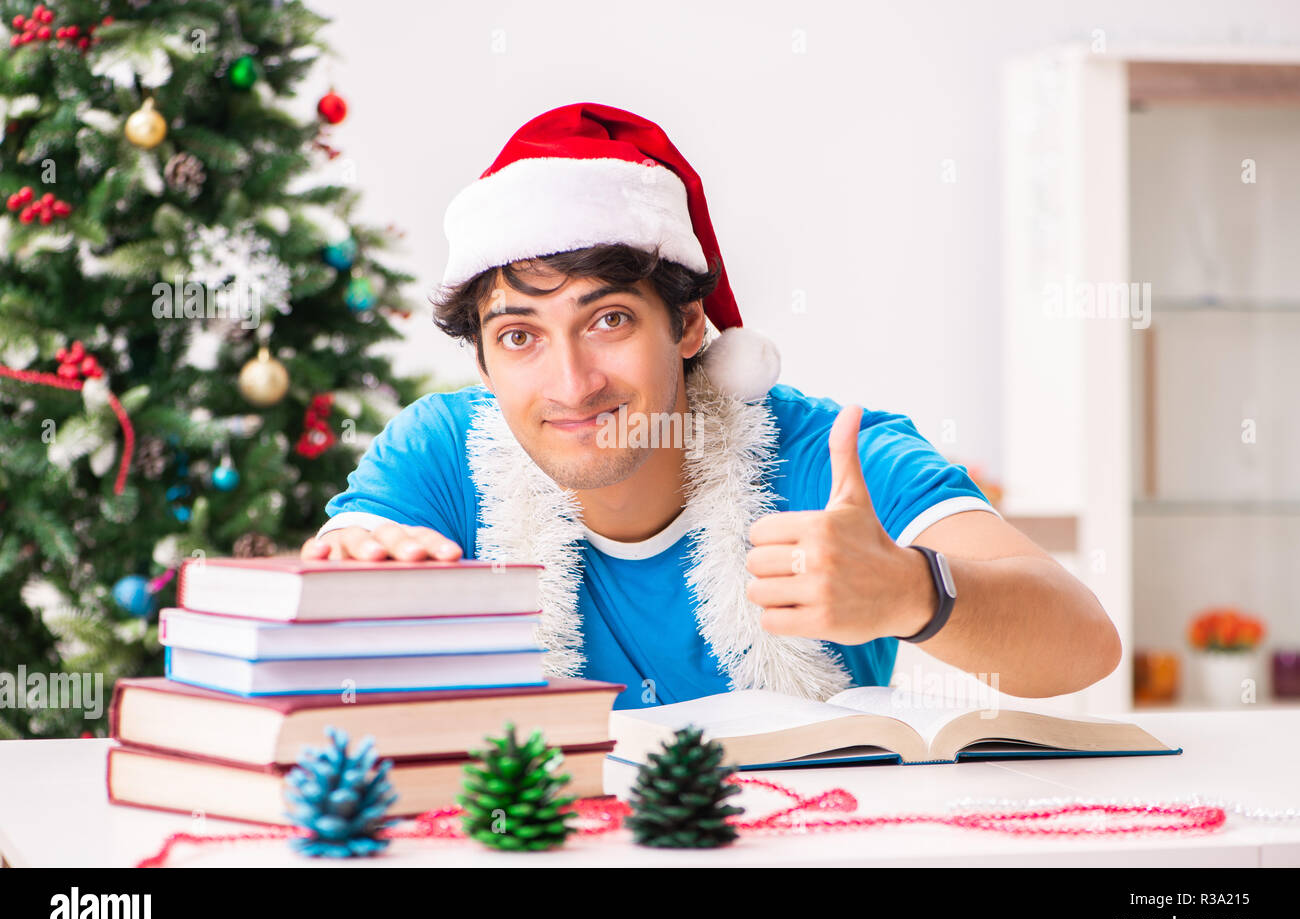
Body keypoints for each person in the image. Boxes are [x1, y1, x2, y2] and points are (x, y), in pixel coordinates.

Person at [301, 102, 1120, 710]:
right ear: (482, 358)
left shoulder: (826, 456)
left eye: (608, 319)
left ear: (689, 322)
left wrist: (911, 590)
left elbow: (1083, 643)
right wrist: (354, 572)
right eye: (520, 336)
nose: (572, 381)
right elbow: (323, 635)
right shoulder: (441, 455)